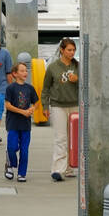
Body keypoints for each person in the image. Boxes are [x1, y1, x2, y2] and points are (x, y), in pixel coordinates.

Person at [42, 37, 79, 181]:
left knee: (73, 138)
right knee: (60, 138)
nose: (72, 53)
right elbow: (45, 89)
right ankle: (58, 169)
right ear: (62, 50)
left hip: (75, 105)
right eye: (69, 50)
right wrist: (45, 106)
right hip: (58, 105)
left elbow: (87, 85)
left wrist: (78, 80)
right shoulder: (52, 67)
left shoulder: (78, 66)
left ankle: (70, 167)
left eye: (73, 50)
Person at [3, 61, 38, 182]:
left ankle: (22, 173)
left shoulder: (30, 88)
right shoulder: (10, 88)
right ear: (15, 73)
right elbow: (7, 105)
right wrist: (22, 112)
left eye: (26, 71)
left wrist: (32, 109)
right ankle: (10, 164)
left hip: (26, 125)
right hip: (13, 123)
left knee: (24, 150)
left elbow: (36, 102)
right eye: (22, 71)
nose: (25, 73)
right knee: (12, 147)